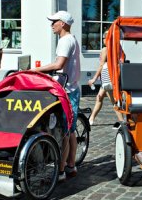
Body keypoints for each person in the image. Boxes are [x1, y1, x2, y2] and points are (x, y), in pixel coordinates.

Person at [35, 10, 81, 181]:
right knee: (72, 130)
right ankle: (71, 166)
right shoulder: (72, 39)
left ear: (62, 23)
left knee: (65, 132)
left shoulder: (64, 40)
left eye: (54, 21)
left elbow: (59, 64)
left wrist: (36, 70)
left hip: (66, 91)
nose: (51, 24)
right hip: (73, 88)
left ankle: (60, 171)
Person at [88, 45, 123, 125]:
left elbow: (101, 65)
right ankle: (91, 118)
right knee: (99, 98)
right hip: (112, 77)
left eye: (104, 37)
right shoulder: (117, 47)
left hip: (107, 78)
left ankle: (122, 122)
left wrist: (94, 79)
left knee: (113, 101)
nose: (104, 39)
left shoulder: (106, 49)